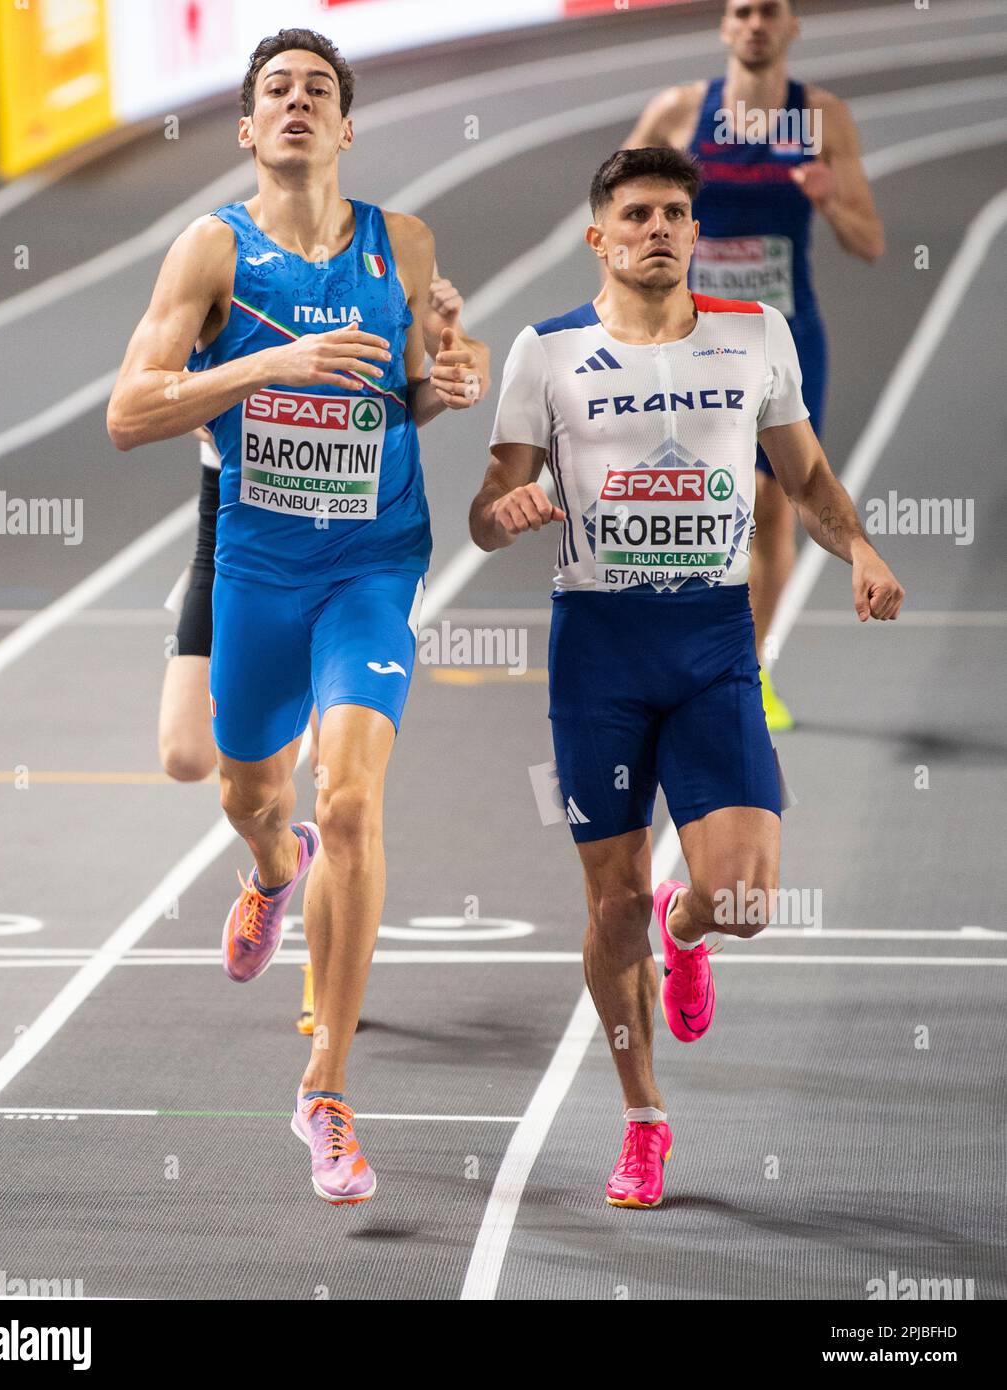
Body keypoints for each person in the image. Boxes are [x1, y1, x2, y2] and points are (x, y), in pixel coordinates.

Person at [470, 146, 902, 1208]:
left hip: (712, 638)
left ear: (691, 232)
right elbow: (486, 511)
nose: (656, 228)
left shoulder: (755, 336)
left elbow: (803, 477)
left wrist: (861, 550)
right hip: (597, 650)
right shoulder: (546, 352)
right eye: (636, 214)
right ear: (598, 236)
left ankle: (686, 925)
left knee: (743, 898)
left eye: (673, 212)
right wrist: (505, 515)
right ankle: (643, 1119)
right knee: (605, 906)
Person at [108, 27, 487, 1204]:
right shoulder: (209, 249)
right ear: (244, 125)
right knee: (243, 790)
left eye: (319, 90)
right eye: (274, 89)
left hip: (371, 562)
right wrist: (264, 370)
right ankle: (273, 869)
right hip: (257, 568)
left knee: (355, 791)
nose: (296, 102)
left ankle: (323, 1088)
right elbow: (128, 412)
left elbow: (406, 393)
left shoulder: (404, 240)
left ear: (346, 125)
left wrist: (447, 377)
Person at [158, 273, 489, 1035]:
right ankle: (276, 867)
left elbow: (439, 381)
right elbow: (151, 397)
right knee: (187, 756)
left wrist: (451, 342)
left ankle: (323, 972)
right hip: (240, 540)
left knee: (337, 784)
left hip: (350, 553)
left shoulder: (376, 283)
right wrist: (255, 370)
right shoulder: (222, 280)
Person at [625, 0, 884, 729]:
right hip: (684, 341)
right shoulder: (679, 112)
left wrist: (832, 202)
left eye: (769, 10)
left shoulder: (822, 119)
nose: (755, 24)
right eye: (741, 10)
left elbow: (869, 242)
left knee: (772, 507)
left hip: (780, 340)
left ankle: (747, 670)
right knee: (683, 500)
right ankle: (672, 657)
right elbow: (609, 202)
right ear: (724, 27)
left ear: (791, 25)